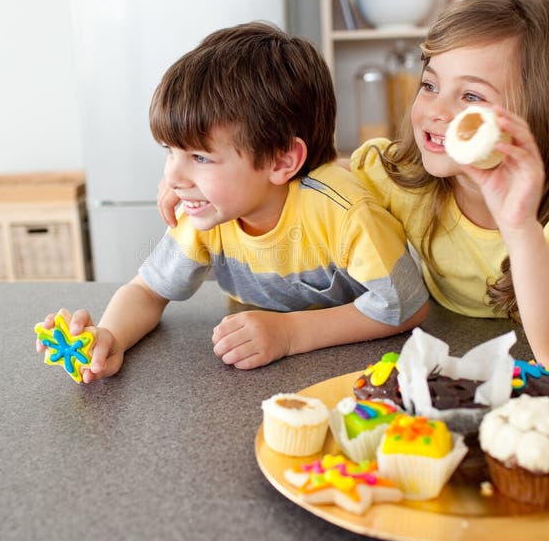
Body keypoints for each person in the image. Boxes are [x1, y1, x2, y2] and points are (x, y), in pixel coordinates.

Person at [158, 0, 549, 367]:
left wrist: (519, 228)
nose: (436, 110)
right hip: (445, 342)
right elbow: (312, 179)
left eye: (472, 96)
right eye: (430, 85)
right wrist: (193, 178)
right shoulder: (395, 175)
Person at [37, 22, 428, 379]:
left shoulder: (346, 215)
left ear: (281, 160)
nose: (172, 178)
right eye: (170, 151)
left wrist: (290, 334)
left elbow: (405, 306)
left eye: (200, 158)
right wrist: (110, 336)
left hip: (360, 372)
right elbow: (147, 291)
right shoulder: (209, 213)